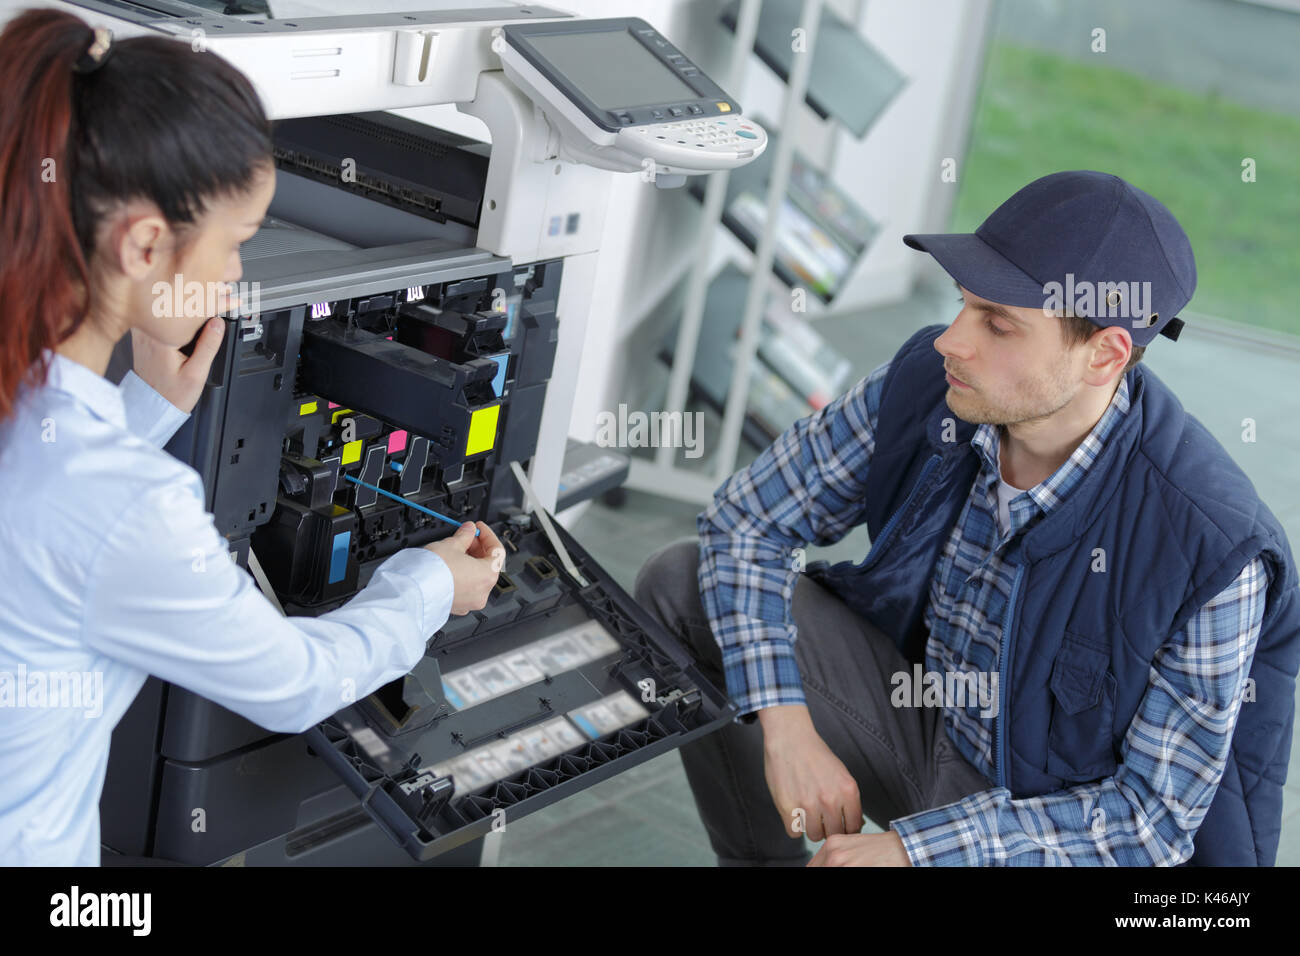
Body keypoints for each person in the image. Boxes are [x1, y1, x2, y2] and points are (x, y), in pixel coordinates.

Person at [635, 169, 1300, 866]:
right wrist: (785, 725)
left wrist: (915, 851)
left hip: (1056, 834)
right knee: (681, 584)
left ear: (1106, 353)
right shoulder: (936, 384)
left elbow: (1148, 822)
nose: (953, 339)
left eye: (998, 323)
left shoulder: (1212, 548)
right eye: (963, 304)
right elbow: (746, 522)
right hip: (931, 723)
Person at [0, 9, 504, 865]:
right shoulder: (127, 502)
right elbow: (295, 683)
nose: (239, 274)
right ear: (147, 245)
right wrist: (427, 582)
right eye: (236, 243)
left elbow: (43, 525)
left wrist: (147, 409)